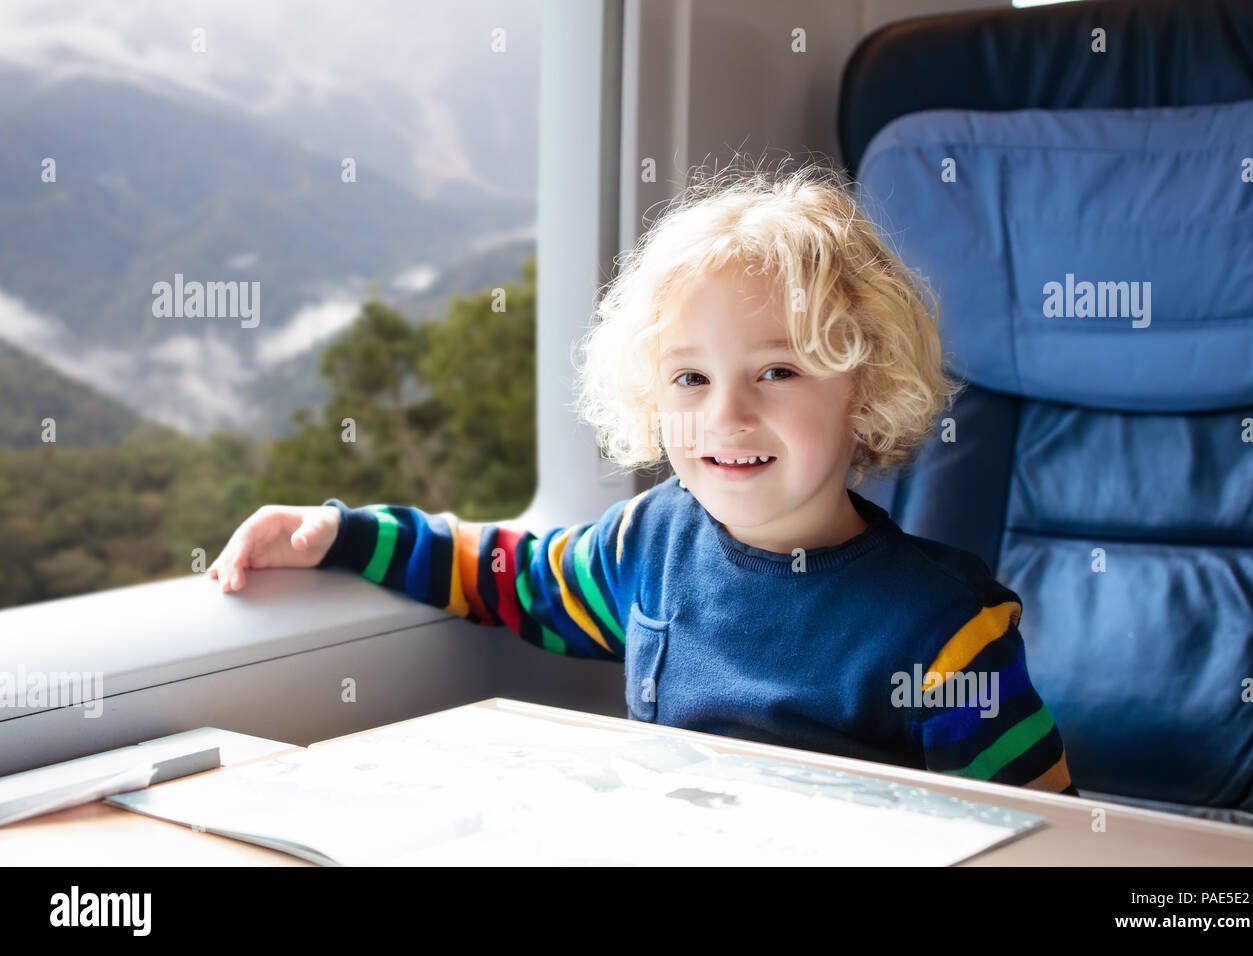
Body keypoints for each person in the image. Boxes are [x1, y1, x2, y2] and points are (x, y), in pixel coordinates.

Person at [210, 158, 1077, 796]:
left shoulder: (946, 630)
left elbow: (1044, 838)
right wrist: (346, 535)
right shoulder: (650, 539)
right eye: (690, 379)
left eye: (778, 371)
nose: (726, 417)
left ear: (865, 386)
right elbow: (514, 576)